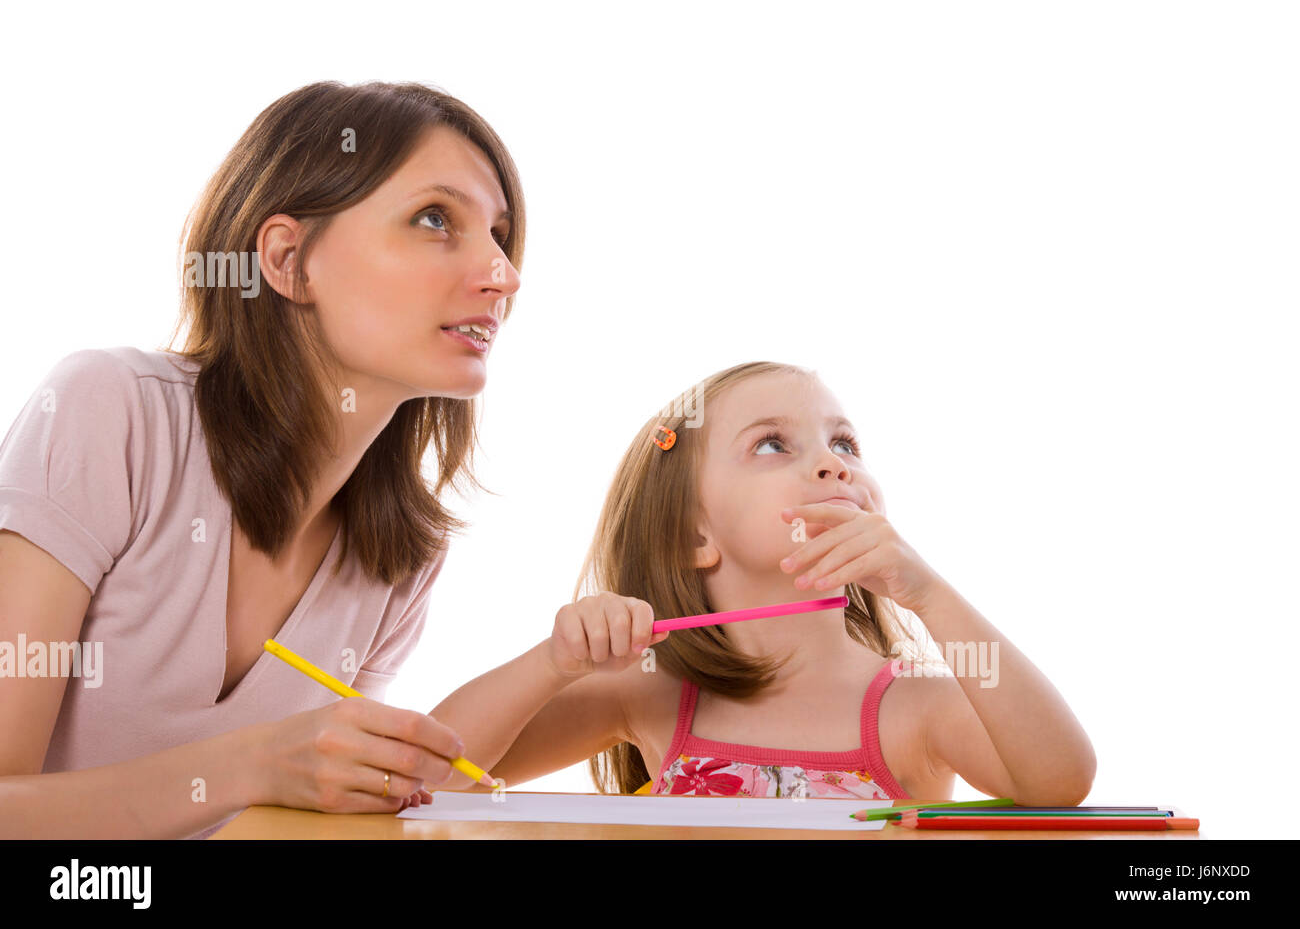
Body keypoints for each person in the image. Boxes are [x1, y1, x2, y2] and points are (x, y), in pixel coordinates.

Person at [0, 79, 525, 838]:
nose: (502, 275)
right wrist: (252, 767)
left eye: (500, 237)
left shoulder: (403, 556)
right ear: (287, 259)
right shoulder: (110, 413)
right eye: (435, 219)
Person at [428, 362, 1097, 803]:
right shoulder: (651, 694)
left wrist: (928, 594)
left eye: (845, 445)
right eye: (773, 445)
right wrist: (552, 663)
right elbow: (430, 776)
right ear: (693, 538)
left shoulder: (916, 705)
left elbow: (1060, 781)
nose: (834, 467)